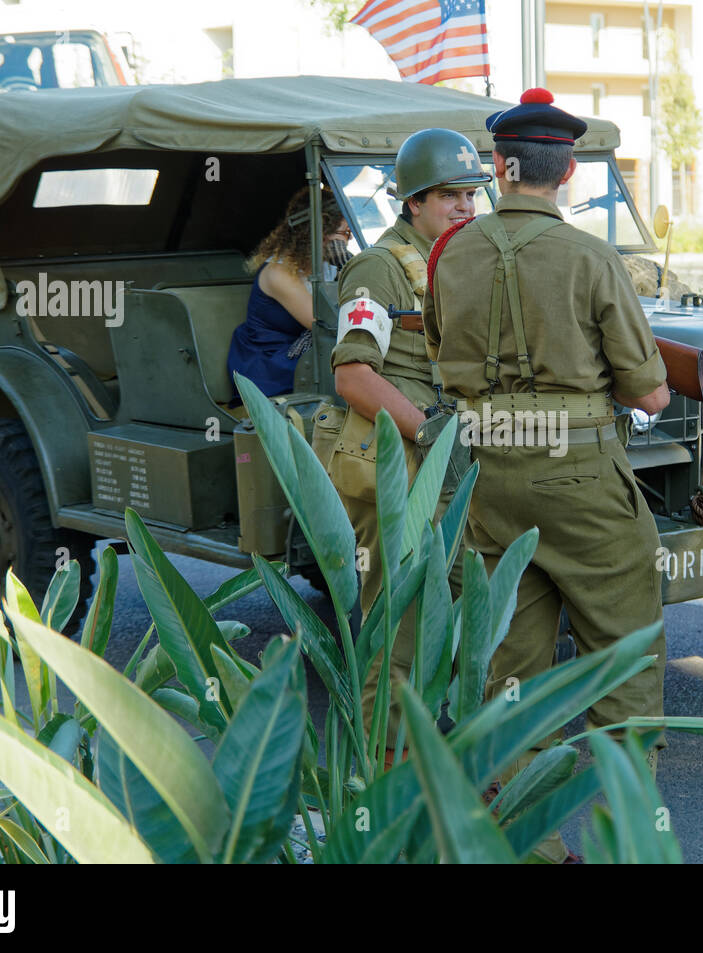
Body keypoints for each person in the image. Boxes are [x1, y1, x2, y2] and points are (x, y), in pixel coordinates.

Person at [423, 88, 669, 862]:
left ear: (500, 167)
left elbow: (439, 361)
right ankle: (629, 835)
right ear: (564, 175)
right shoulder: (594, 257)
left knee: (507, 668)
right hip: (582, 478)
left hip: (488, 473)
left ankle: (530, 847)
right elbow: (650, 391)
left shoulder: (448, 252)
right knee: (623, 660)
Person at [311, 128, 490, 756]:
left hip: (457, 470)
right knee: (400, 635)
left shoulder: (465, 260)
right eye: (449, 196)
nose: (466, 207)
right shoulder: (380, 269)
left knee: (466, 621)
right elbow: (352, 375)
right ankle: (383, 781)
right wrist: (429, 430)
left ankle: (445, 771)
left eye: (472, 194)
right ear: (411, 201)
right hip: (404, 473)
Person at [227, 189, 350, 399]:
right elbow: (326, 324)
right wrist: (346, 264)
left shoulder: (326, 265)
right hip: (272, 365)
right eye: (345, 233)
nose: (348, 241)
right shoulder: (278, 272)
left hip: (308, 355)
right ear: (319, 230)